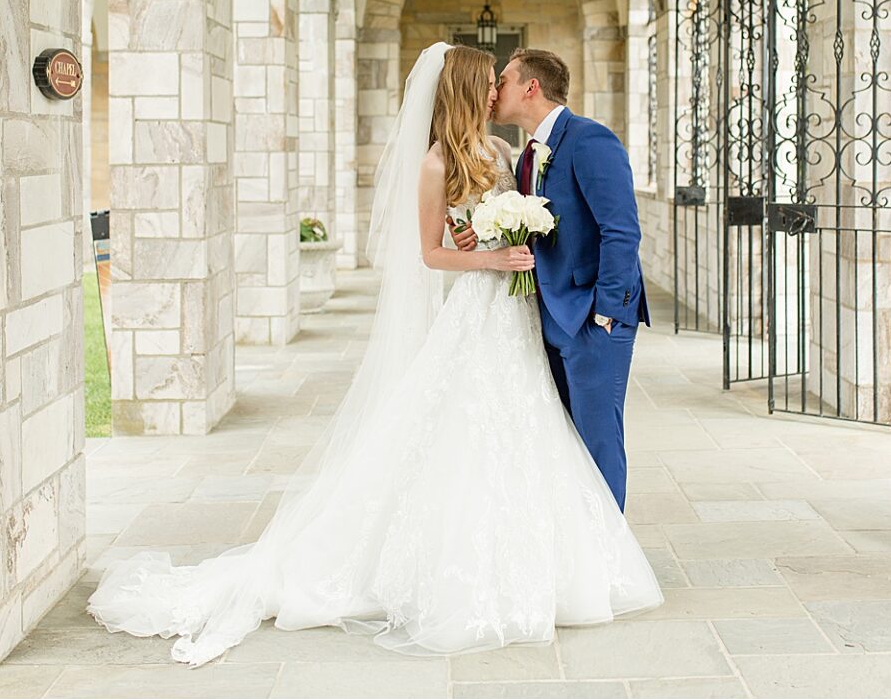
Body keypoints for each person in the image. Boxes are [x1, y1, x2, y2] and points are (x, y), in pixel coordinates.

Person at [85, 42, 662, 666]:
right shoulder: (437, 162)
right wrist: (484, 253)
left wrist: (526, 259)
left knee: (554, 436)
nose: (496, 89)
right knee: (474, 435)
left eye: (503, 81)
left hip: (528, 317)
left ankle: (578, 556)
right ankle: (508, 566)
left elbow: (566, 225)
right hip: (484, 311)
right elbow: (431, 253)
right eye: (487, 82)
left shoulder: (506, 153)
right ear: (469, 90)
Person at [487, 47, 651, 510]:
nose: (496, 90)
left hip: (591, 321)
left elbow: (621, 230)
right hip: (548, 318)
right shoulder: (526, 158)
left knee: (598, 443)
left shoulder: (590, 140)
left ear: (530, 87)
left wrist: (606, 312)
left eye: (504, 79)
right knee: (565, 447)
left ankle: (611, 561)